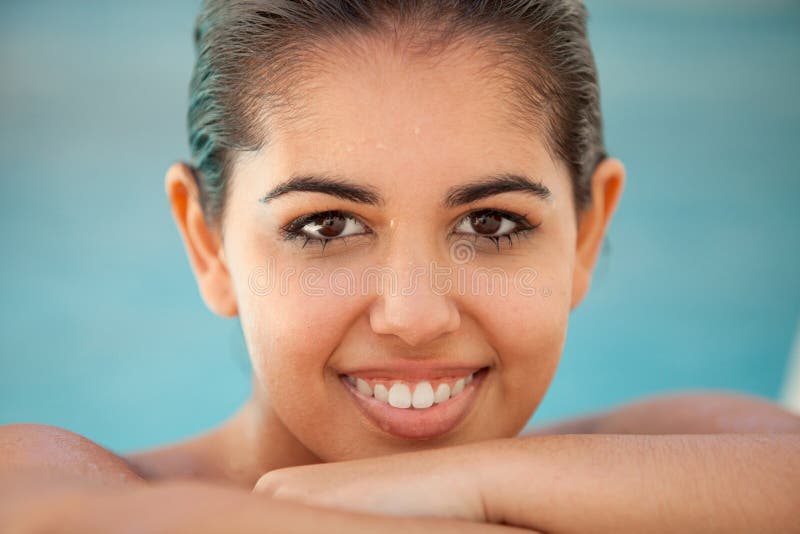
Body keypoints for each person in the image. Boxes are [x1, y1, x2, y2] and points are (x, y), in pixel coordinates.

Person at [2, 1, 798, 532]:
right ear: (206, 242)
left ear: (587, 233)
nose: (415, 316)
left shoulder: (665, 444)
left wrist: (478, 488)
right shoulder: (57, 478)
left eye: (492, 223)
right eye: (325, 225)